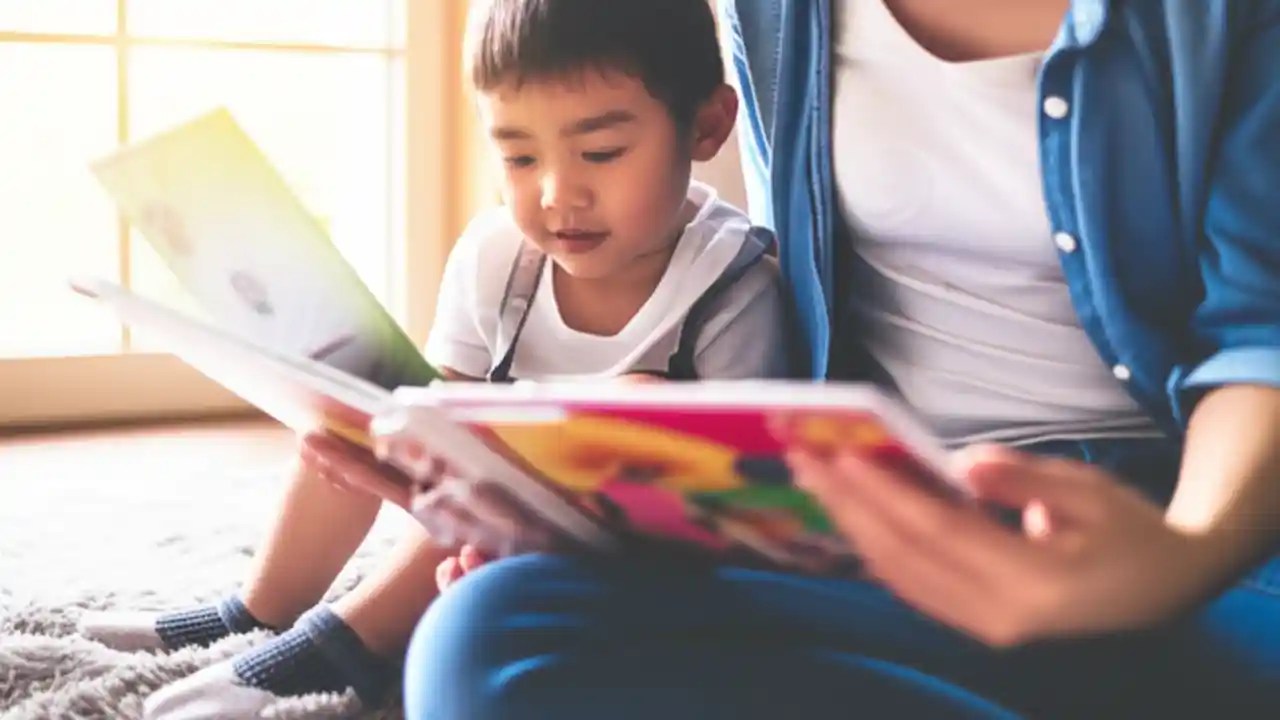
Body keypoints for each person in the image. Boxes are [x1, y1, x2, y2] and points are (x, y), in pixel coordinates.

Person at [396, 0, 1280, 717]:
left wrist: (1180, 555)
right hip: (896, 518)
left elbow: (1262, 330)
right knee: (496, 631)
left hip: (1209, 533)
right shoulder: (778, 15)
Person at [77, 0, 788, 714]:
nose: (555, 195)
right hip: (492, 518)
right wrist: (380, 425)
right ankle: (260, 611)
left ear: (704, 127)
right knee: (356, 420)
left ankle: (347, 646)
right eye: (518, 156)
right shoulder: (498, 258)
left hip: (639, 562)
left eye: (600, 154)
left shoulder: (732, 287)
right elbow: (441, 407)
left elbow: (728, 510)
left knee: (600, 418)